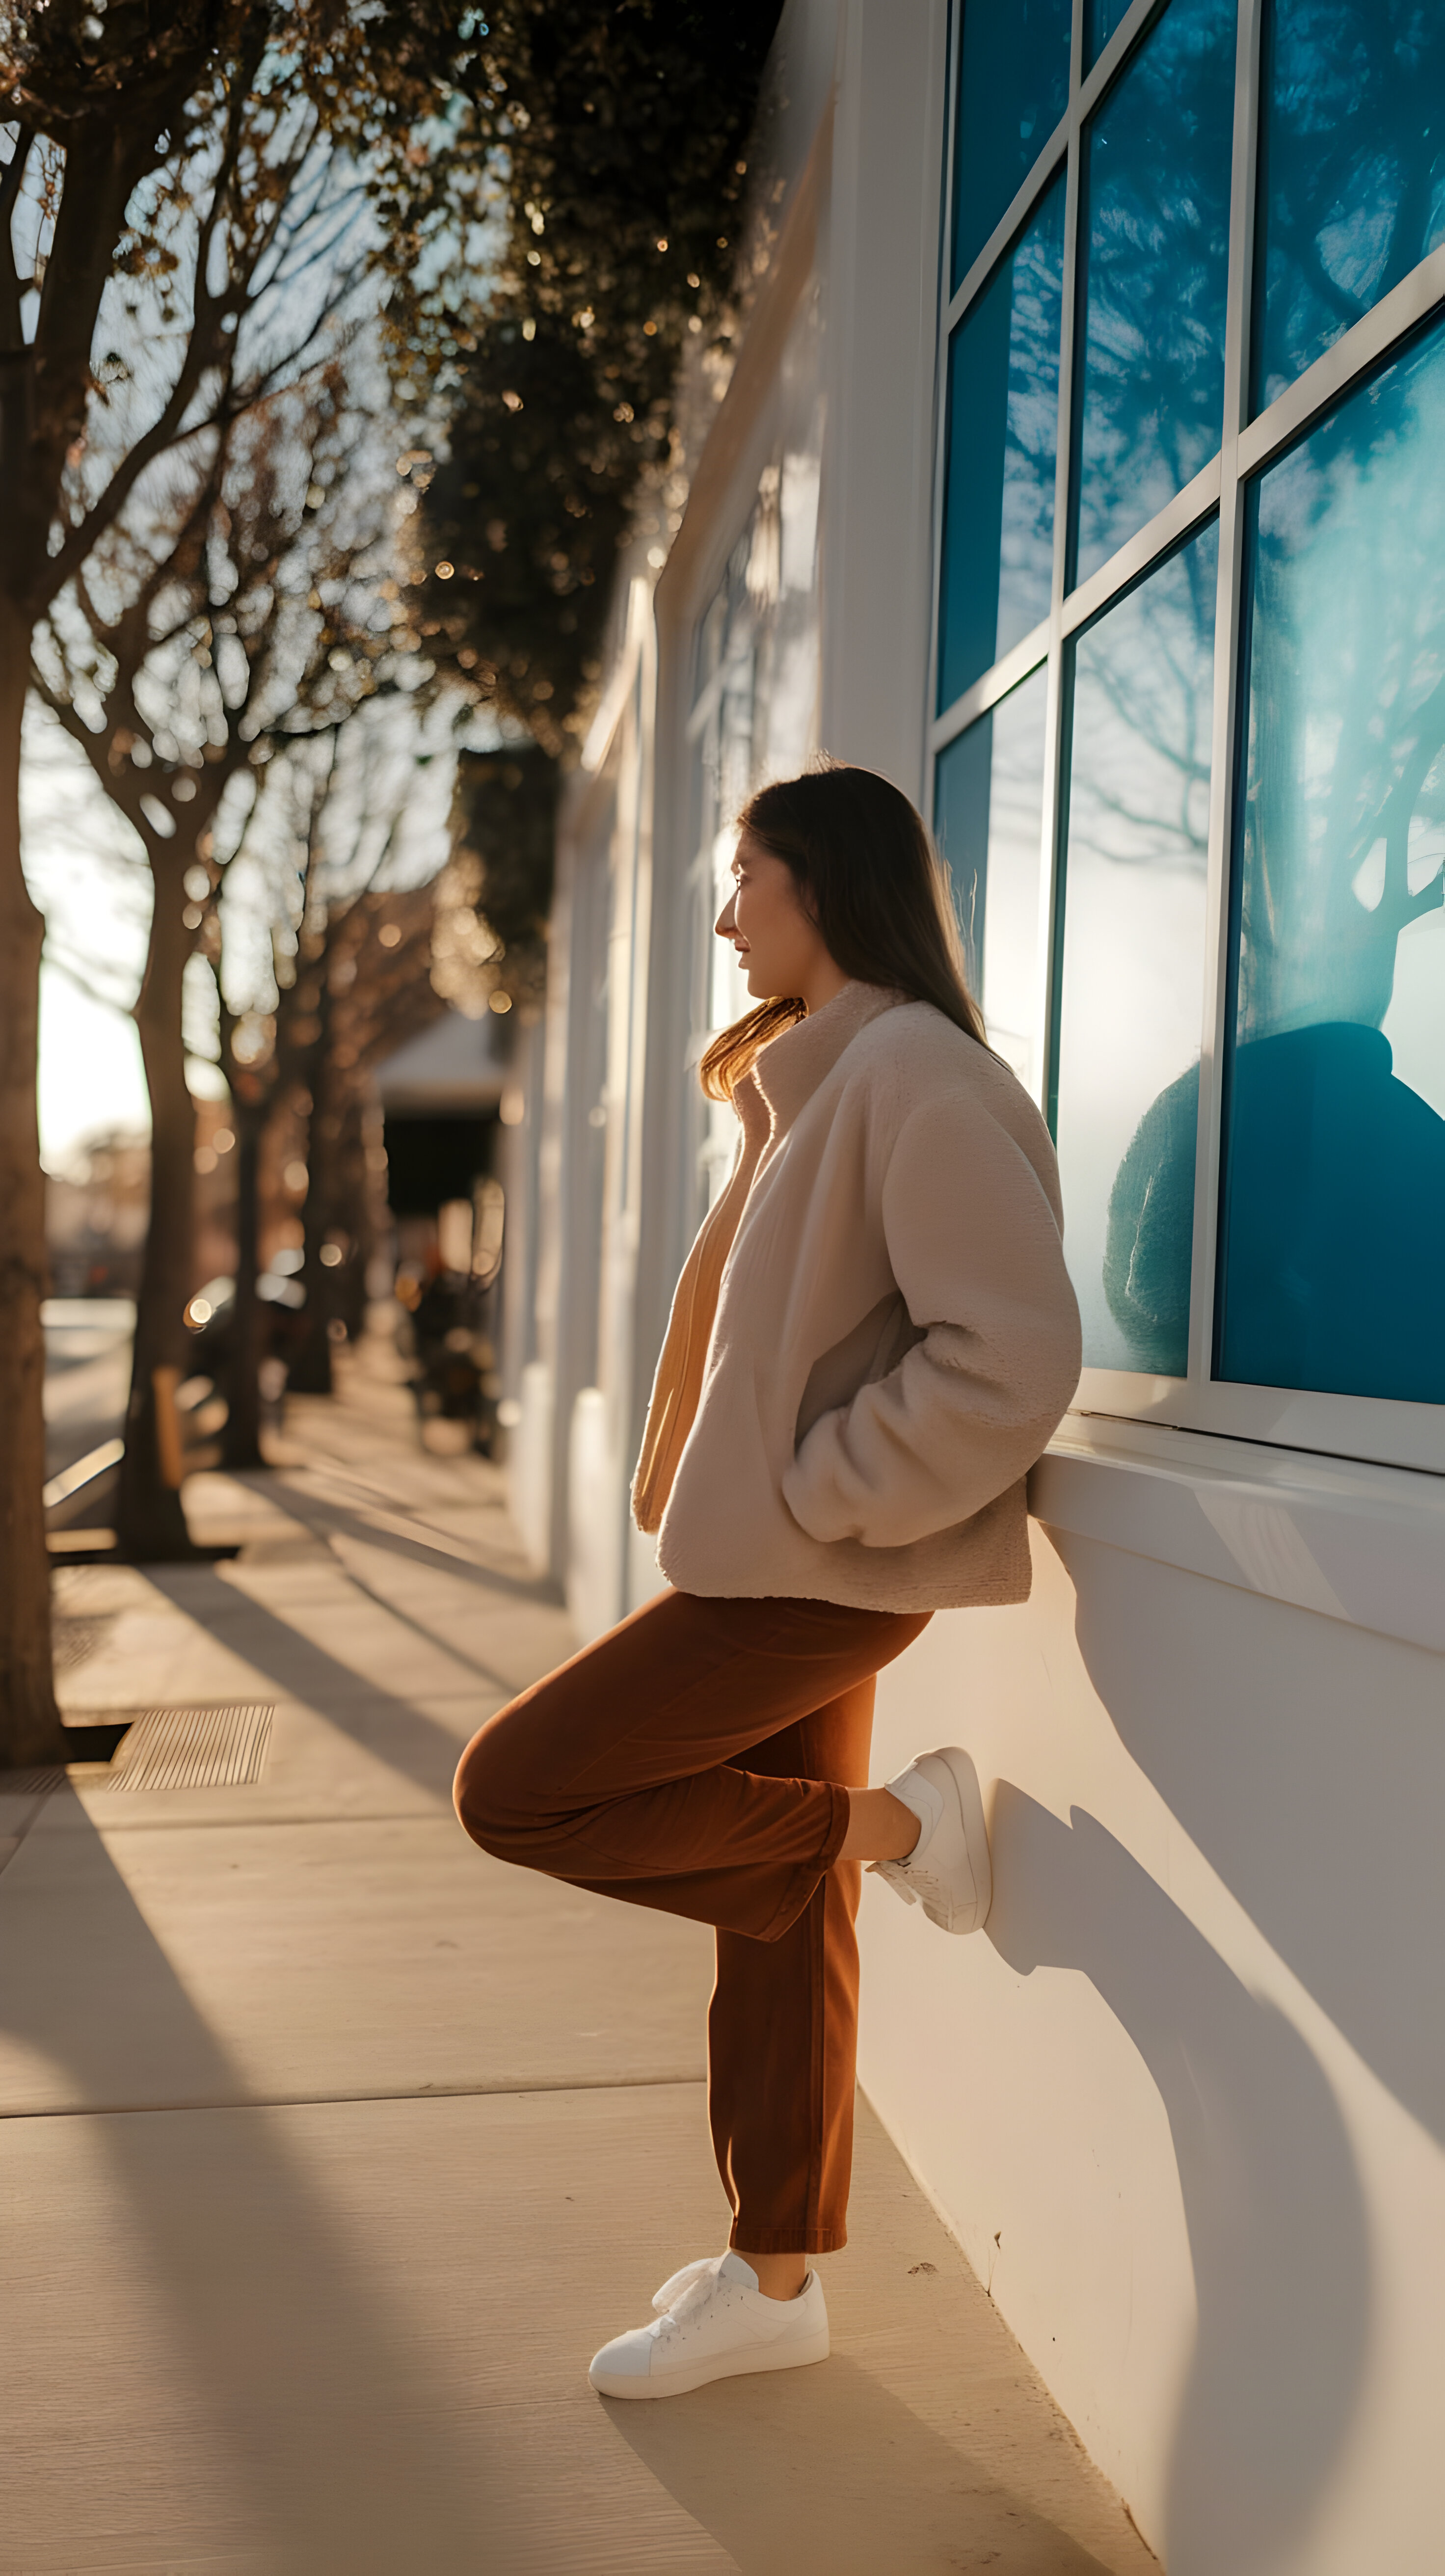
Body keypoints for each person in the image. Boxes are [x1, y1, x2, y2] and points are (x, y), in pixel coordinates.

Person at [454, 761, 1081, 2401]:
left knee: (516, 1789)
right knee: (775, 1904)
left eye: (747, 878)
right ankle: (776, 2275)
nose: (728, 917)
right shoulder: (828, 1077)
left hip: (812, 1574)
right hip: (792, 1565)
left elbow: (1012, 1355)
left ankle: (905, 1830)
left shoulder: (914, 1074)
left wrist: (824, 1488)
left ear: (828, 883)